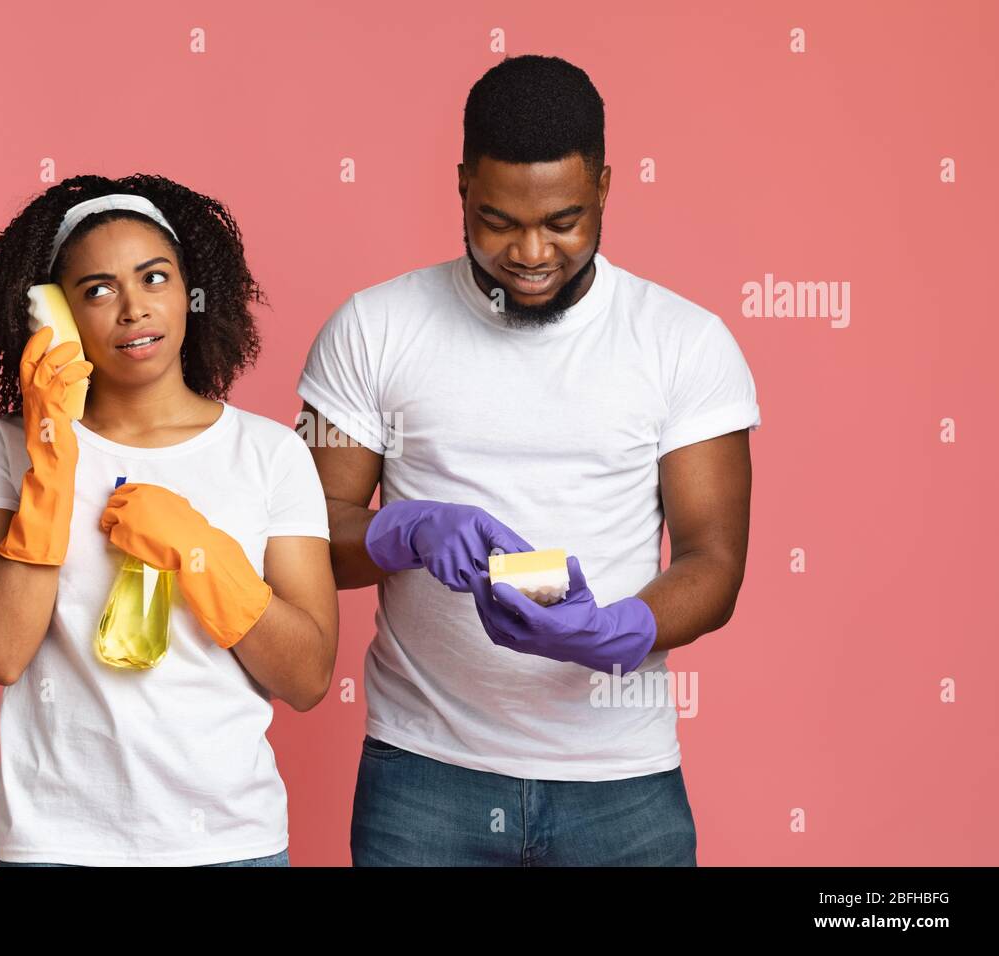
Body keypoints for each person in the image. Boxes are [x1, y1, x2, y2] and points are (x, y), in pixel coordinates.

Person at [296, 55, 760, 866]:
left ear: (607, 188)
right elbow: (301, 538)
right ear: (462, 186)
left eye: (563, 221)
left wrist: (626, 628)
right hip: (422, 777)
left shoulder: (685, 343)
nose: (531, 251)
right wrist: (398, 533)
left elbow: (713, 559)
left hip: (622, 785)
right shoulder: (373, 327)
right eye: (498, 220)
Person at [0, 174, 337, 866]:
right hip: (58, 843)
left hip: (230, 841)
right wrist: (51, 459)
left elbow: (308, 677)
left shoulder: (269, 452)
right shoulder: (7, 445)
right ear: (54, 315)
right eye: (97, 290)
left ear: (189, 291)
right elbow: (0, 652)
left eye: (154, 278)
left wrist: (200, 551)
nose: (133, 308)